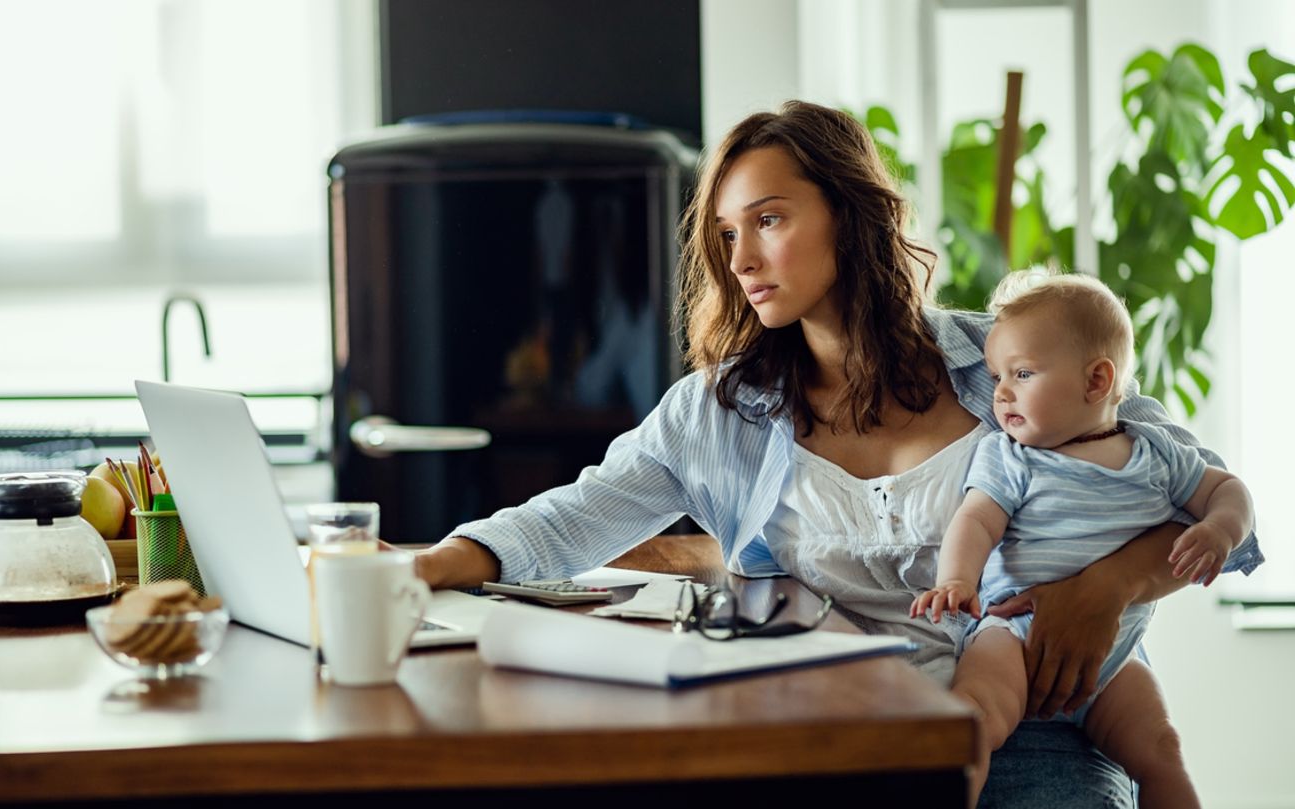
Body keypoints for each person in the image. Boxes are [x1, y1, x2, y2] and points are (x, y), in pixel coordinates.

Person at [412, 101, 1263, 807]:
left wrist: (1107, 586)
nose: (741, 259)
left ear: (852, 217)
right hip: (835, 743)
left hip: (1038, 740)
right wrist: (428, 566)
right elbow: (571, 519)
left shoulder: (1005, 363)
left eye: (770, 219)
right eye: (728, 233)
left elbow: (1207, 501)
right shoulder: (718, 414)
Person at [910, 270, 1254, 807]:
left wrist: (1217, 527)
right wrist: (956, 580)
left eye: (1021, 374)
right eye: (998, 375)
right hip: (1012, 635)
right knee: (974, 723)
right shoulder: (1012, 456)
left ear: (1096, 382)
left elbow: (1228, 489)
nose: (1000, 393)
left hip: (1113, 658)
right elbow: (976, 521)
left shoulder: (1156, 454)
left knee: (1161, 749)